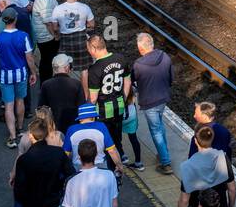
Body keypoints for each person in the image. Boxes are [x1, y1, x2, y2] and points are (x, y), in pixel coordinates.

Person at [0, 6, 37, 147]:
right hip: (21, 73)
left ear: (3, 20)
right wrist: (33, 72)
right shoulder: (23, 36)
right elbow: (29, 58)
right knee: (20, 101)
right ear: (15, 19)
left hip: (5, 75)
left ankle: (12, 136)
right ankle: (20, 127)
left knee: (8, 105)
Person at [177, 125, 235, 207]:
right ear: (212, 139)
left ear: (195, 141)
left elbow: (184, 200)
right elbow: (232, 189)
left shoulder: (188, 166)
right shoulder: (223, 158)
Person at [131, 31, 174, 174]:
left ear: (141, 48)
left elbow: (132, 82)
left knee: (156, 131)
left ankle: (166, 163)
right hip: (163, 99)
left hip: (149, 103)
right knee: (160, 127)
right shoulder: (165, 57)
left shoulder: (138, 65)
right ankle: (163, 154)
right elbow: (171, 78)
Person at [86, 33, 130, 156]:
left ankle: (113, 162)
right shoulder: (121, 58)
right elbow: (127, 80)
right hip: (120, 105)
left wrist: (89, 113)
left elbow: (93, 97)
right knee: (117, 134)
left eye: (88, 49)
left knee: (106, 139)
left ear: (94, 48)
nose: (88, 51)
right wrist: (124, 97)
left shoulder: (94, 69)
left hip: (103, 111)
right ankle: (121, 154)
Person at [63, 101, 123, 174]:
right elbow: (112, 151)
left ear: (80, 118)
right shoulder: (101, 126)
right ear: (93, 117)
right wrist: (119, 165)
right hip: (100, 166)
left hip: (78, 167)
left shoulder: (71, 129)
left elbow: (66, 153)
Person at [48, 0, 95, 75]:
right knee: (84, 68)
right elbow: (92, 25)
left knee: (63, 66)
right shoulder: (85, 7)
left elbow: (54, 28)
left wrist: (60, 31)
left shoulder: (57, 9)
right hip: (81, 40)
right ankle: (84, 89)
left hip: (65, 41)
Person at [38, 52, 83, 134]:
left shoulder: (46, 85)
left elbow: (41, 109)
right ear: (67, 68)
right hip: (73, 127)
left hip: (52, 128)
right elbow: (81, 107)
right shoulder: (76, 84)